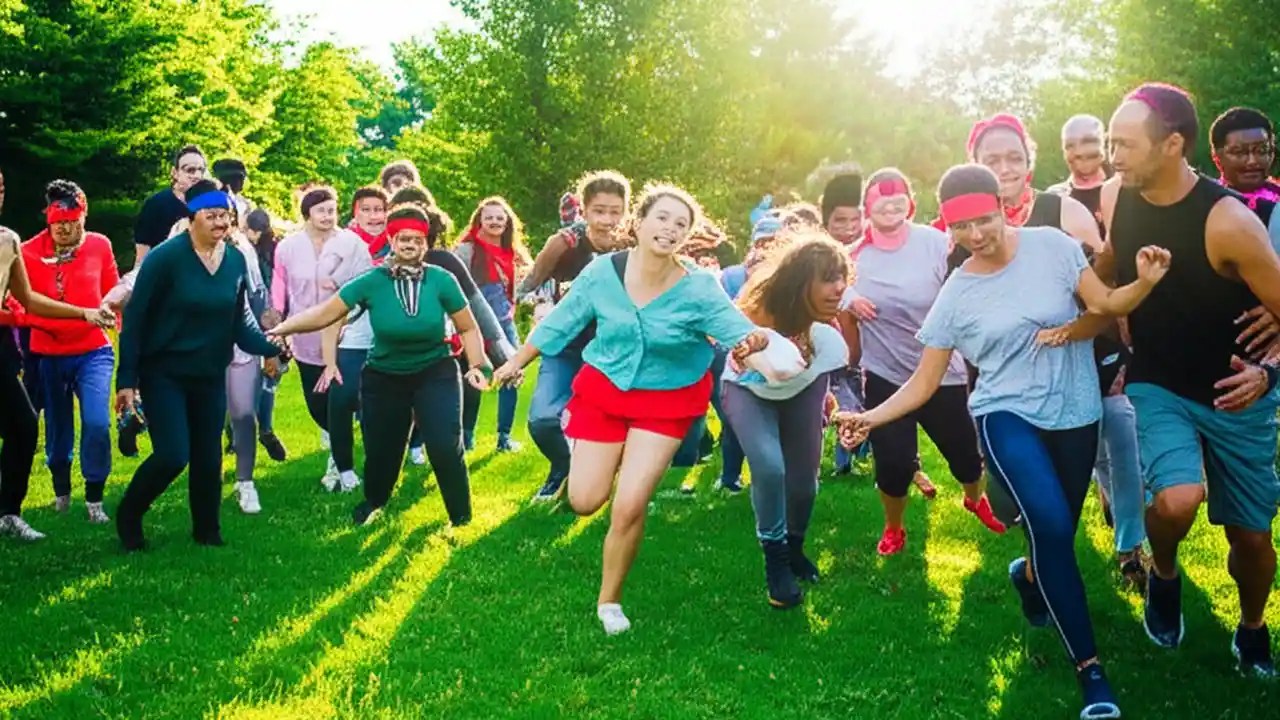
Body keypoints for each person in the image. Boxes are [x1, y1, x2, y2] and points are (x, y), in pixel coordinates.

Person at [838, 163, 1171, 720]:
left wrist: (1145, 283)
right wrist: (870, 417)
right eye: (962, 226)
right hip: (1004, 413)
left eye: (985, 220)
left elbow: (1106, 306)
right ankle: (1090, 671)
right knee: (1053, 526)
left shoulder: (1054, 247)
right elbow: (924, 382)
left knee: (1052, 531)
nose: (976, 235)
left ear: (1004, 207)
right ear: (947, 226)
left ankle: (1030, 575)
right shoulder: (958, 293)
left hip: (1076, 411)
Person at [492, 184, 790, 636]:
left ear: (688, 235)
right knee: (585, 500)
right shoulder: (601, 272)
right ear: (641, 220)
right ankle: (603, 459)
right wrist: (515, 362)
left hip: (665, 403)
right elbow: (563, 320)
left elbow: (739, 331)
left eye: (681, 223)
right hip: (604, 392)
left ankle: (609, 601)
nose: (670, 229)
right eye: (663, 218)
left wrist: (765, 359)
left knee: (629, 505)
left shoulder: (699, 287)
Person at [1099, 83, 1280, 677]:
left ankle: (1252, 629)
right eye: (1110, 142)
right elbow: (1107, 264)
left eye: (1125, 144)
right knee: (1177, 501)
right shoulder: (1116, 195)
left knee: (1252, 542)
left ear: (1173, 144)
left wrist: (1269, 369)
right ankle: (1164, 573)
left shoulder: (1228, 221)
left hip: (1237, 394)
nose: (1113, 156)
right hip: (1158, 382)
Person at [270, 205, 491, 526]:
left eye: (417, 239)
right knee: (383, 451)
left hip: (435, 370)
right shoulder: (371, 281)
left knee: (445, 444)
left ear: (426, 243)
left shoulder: (442, 280)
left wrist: (477, 364)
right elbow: (325, 313)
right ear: (391, 239)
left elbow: (468, 327)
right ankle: (375, 501)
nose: (410, 245)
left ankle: (461, 517)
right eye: (403, 239)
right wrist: (282, 328)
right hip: (384, 377)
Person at [114, 180, 283, 550]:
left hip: (209, 374)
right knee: (174, 454)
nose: (221, 223)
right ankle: (129, 513)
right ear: (192, 218)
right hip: (164, 373)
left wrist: (270, 348)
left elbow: (239, 321)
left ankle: (207, 531)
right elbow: (136, 319)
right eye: (212, 216)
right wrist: (127, 380)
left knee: (208, 458)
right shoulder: (165, 258)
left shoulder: (236, 259)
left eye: (226, 216)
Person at [846, 169, 1005, 556]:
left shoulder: (936, 243)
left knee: (967, 456)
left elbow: (970, 281)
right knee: (895, 464)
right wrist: (849, 297)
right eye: (881, 199)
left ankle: (974, 498)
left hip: (941, 373)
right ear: (867, 207)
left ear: (911, 203)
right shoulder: (853, 256)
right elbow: (829, 283)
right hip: (885, 375)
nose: (890, 205)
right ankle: (894, 527)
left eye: (899, 197)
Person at [722, 234, 851, 607]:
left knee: (803, 485)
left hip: (805, 390)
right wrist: (753, 343)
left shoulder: (835, 311)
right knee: (768, 466)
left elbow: (842, 364)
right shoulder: (760, 309)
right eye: (828, 278)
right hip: (750, 391)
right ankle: (775, 560)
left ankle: (795, 546)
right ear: (800, 281)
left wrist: (835, 402)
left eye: (842, 276)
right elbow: (736, 342)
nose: (839, 286)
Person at [0, 179, 115, 541]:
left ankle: (13, 513)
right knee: (44, 427)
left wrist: (91, 315)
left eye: (2, 187)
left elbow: (29, 300)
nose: (65, 227)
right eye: (57, 220)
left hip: (85, 350)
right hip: (46, 353)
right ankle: (47, 497)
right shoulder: (20, 247)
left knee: (39, 425)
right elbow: (21, 307)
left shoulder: (9, 240)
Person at [516, 170, 631, 503]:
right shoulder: (564, 243)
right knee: (543, 419)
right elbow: (529, 286)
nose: (607, 219)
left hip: (613, 349)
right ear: (584, 210)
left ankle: (610, 481)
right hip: (565, 345)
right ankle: (564, 468)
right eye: (599, 211)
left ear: (625, 210)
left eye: (615, 211)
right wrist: (539, 303)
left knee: (618, 421)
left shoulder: (632, 245)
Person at [271, 186, 373, 484]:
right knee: (317, 405)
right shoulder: (288, 247)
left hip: (346, 333)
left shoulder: (352, 244)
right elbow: (280, 285)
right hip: (304, 335)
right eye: (321, 210)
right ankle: (335, 437)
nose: (328, 216)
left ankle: (341, 459)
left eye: (332, 210)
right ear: (307, 214)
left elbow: (365, 282)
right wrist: (278, 316)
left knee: (342, 398)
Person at [453, 197, 532, 452]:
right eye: (489, 217)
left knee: (511, 374)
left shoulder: (514, 253)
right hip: (473, 323)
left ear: (508, 221)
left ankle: (504, 438)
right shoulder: (466, 251)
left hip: (504, 323)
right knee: (472, 377)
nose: (495, 222)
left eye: (500, 217)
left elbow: (522, 286)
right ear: (479, 221)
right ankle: (466, 437)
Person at [244, 209, 288, 462]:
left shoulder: (254, 252)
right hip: (276, 320)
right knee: (269, 379)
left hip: (261, 319)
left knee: (262, 376)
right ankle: (264, 429)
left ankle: (256, 430)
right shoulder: (276, 248)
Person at [133, 144, 208, 265]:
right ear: (175, 172)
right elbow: (142, 256)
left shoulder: (210, 205)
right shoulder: (156, 205)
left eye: (201, 170)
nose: (197, 176)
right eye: (190, 170)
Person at [1047, 114, 1112, 229]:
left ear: (1104, 143)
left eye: (1088, 141)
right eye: (1070, 145)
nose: (1079, 151)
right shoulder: (1053, 199)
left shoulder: (1124, 190)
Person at [1210, 107, 1280, 210]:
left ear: (1271, 153)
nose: (1252, 161)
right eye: (1239, 152)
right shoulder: (1204, 203)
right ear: (1217, 158)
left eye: (1261, 151)